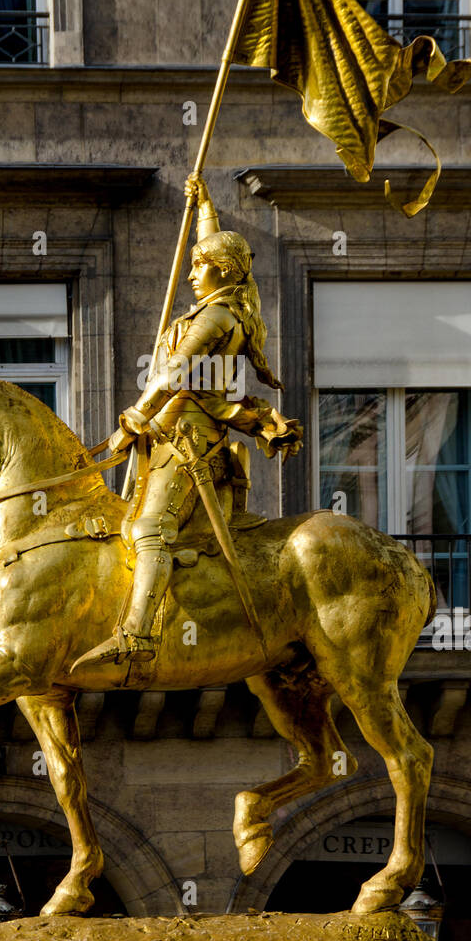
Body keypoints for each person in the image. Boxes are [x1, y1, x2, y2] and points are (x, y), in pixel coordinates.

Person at [72, 174, 302, 672]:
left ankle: (138, 635)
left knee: (152, 527)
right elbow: (208, 246)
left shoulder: (219, 319)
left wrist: (136, 415)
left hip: (189, 438)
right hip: (170, 432)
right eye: (196, 263)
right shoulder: (216, 305)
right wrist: (204, 207)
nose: (193, 272)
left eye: (203, 266)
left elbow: (175, 374)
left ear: (224, 273)